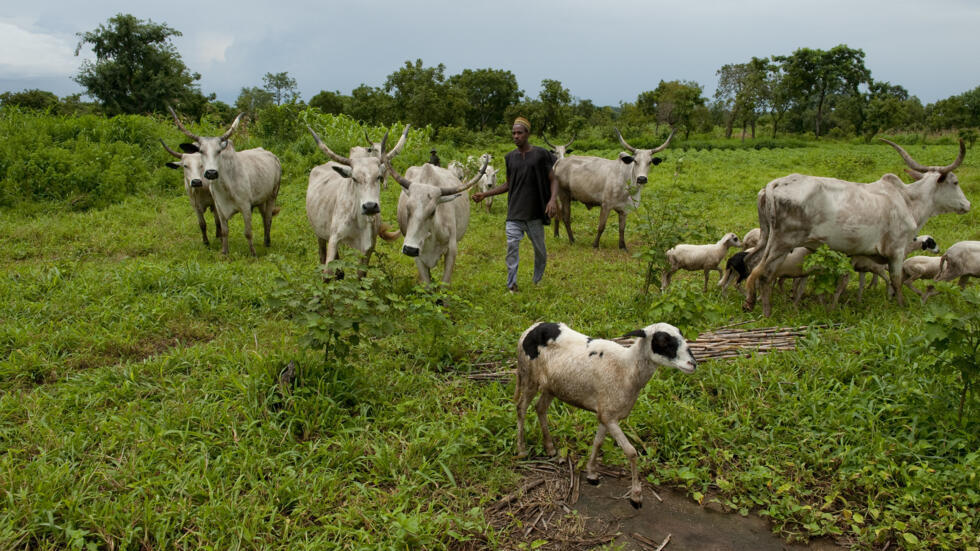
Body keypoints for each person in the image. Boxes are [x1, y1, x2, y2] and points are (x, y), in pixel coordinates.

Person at [472, 117, 558, 293]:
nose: (516, 136)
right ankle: (512, 284)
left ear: (528, 134)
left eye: (519, 133)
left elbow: (553, 179)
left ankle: (537, 280)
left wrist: (552, 200)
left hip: (535, 213)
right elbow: (508, 184)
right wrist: (484, 194)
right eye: (513, 133)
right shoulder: (510, 157)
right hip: (515, 213)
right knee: (512, 248)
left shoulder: (541, 154)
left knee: (540, 252)